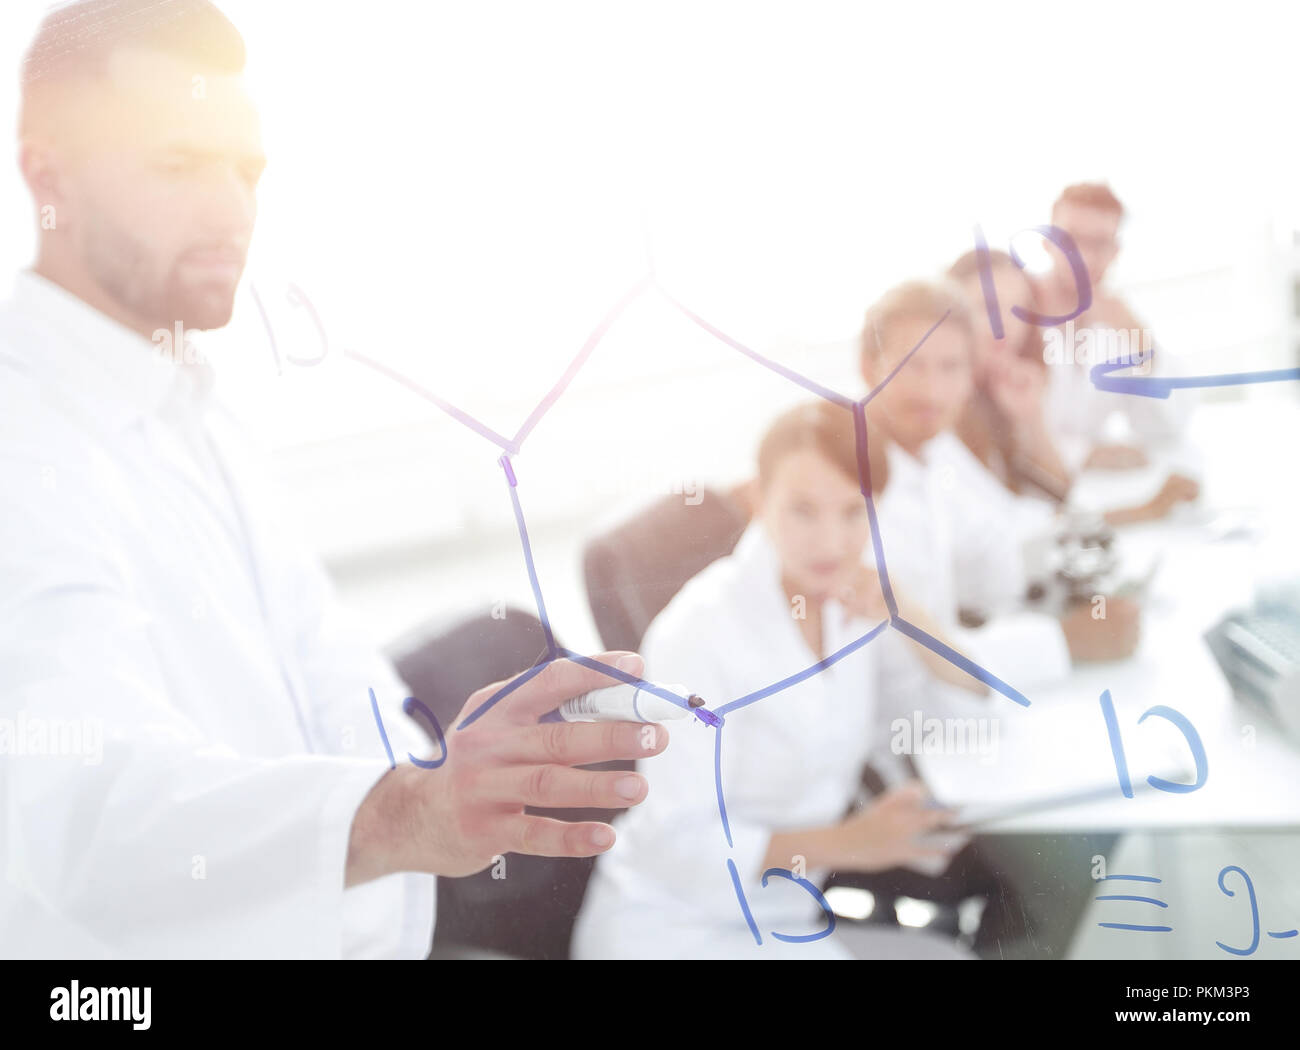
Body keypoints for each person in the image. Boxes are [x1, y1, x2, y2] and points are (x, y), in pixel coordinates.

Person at [0, 0, 666, 959]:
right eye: (178, 164)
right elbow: (90, 809)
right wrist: (407, 813)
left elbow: (338, 681)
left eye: (247, 170)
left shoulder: (201, 417)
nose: (231, 208)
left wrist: (450, 789)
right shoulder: (23, 443)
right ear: (47, 176)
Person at [573, 400, 982, 959]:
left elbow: (930, 710)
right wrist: (853, 843)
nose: (831, 542)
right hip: (672, 928)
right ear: (758, 499)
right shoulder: (698, 634)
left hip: (783, 915)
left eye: (852, 513)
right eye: (803, 511)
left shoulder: (852, 604)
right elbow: (677, 842)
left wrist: (908, 614)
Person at [859, 279, 1141, 675]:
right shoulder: (847, 480)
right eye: (911, 366)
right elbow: (904, 666)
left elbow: (993, 553)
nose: (931, 389)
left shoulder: (928, 453)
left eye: (950, 367)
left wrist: (1085, 590)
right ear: (868, 367)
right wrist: (1062, 640)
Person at [948, 248, 1201, 527]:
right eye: (987, 307)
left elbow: (1059, 496)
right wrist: (1144, 510)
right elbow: (1007, 534)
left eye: (1017, 309)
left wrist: (1032, 418)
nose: (1005, 325)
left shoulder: (999, 393)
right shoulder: (944, 410)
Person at [1031, 182, 1196, 485]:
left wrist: (1139, 340)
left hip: (1091, 490)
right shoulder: (1015, 313)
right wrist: (1085, 454)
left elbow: (1165, 428)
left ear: (1115, 252)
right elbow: (996, 431)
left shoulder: (1118, 323)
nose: (1083, 256)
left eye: (1099, 243)